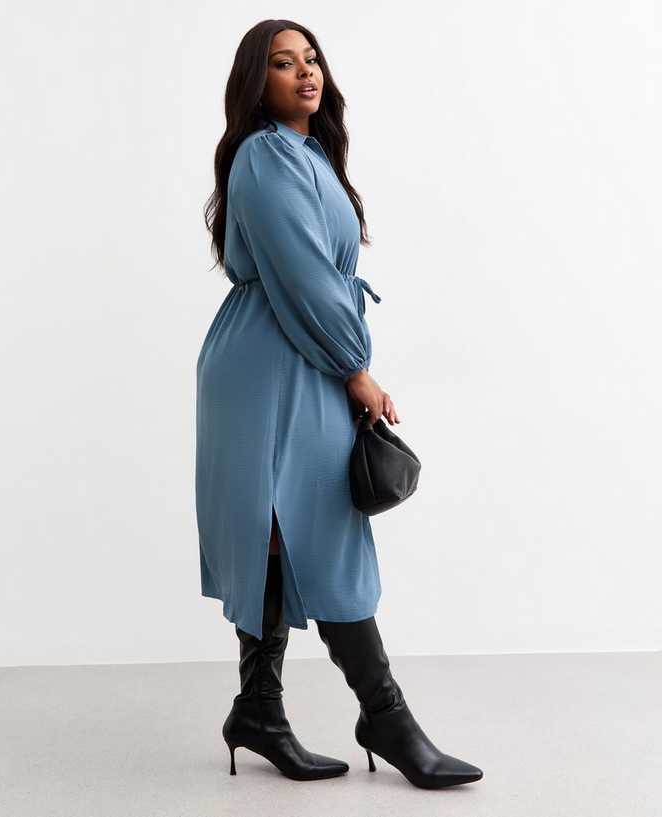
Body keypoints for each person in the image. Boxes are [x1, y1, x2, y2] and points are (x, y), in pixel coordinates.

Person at [196, 19, 484, 788]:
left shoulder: (311, 153)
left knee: (293, 534)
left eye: (312, 58)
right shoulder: (264, 155)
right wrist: (356, 368)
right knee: (296, 531)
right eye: (282, 63)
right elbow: (302, 275)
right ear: (256, 83)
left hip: (300, 356)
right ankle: (383, 715)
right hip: (269, 365)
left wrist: (342, 362)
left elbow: (318, 277)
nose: (305, 72)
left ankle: (260, 708)